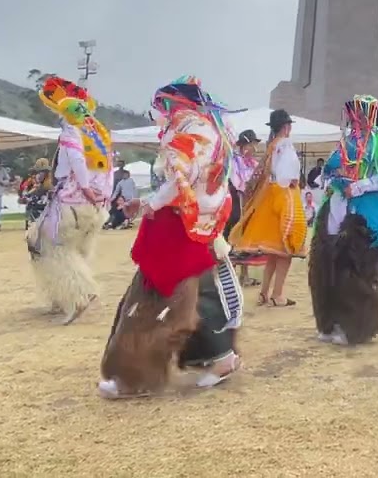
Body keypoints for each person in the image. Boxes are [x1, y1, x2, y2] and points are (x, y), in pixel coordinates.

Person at [99, 76, 244, 399]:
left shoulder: (192, 131)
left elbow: (182, 181)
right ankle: (219, 358)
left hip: (183, 225)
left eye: (158, 106)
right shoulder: (201, 129)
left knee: (161, 298)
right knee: (182, 293)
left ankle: (135, 374)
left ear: (172, 104)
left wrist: (150, 203)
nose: (155, 113)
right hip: (189, 223)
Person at [308, 96, 378, 346]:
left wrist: (359, 186)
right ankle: (330, 322)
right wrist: (334, 178)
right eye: (353, 113)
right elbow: (328, 170)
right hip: (337, 204)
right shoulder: (347, 142)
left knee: (353, 268)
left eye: (362, 113)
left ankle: (354, 326)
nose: (356, 118)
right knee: (325, 264)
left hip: (364, 209)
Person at [26, 76, 113, 325]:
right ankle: (61, 296)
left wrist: (84, 188)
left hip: (72, 202)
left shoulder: (71, 132)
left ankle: (78, 295)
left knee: (47, 244)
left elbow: (75, 160)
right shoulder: (99, 135)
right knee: (75, 250)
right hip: (96, 206)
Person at [232, 109, 307, 308]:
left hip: (269, 197)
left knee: (274, 252)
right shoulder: (285, 144)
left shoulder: (271, 146)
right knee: (285, 251)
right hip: (284, 196)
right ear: (286, 126)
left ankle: (264, 293)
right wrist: (291, 182)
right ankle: (278, 294)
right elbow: (286, 174)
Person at [225, 130, 264, 286]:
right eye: (252, 144)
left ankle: (244, 275)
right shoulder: (234, 162)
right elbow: (237, 183)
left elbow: (257, 179)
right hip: (236, 205)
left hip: (247, 205)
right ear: (245, 145)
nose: (254, 147)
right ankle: (232, 277)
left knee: (245, 239)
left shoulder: (252, 163)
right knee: (233, 238)